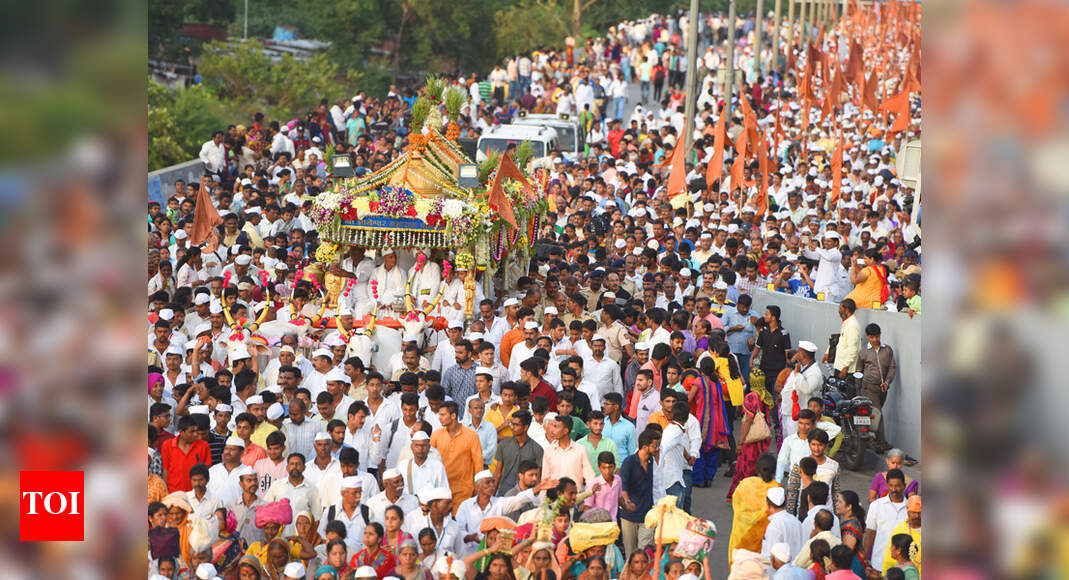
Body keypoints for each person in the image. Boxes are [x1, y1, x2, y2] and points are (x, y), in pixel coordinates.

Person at [727, 454, 781, 565]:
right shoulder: (776, 488)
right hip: (761, 540)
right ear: (774, 470)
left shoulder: (745, 484)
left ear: (757, 469)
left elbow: (736, 504)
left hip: (741, 535)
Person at [430, 401, 484, 511]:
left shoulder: (471, 436)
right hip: (441, 488)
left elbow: (478, 463)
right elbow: (429, 461)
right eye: (439, 415)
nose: (440, 418)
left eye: (443, 415)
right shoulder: (436, 435)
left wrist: (478, 487)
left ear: (453, 416)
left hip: (464, 490)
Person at [855, 323, 896, 453]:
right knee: (878, 413)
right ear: (867, 336)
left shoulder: (887, 350)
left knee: (875, 414)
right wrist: (858, 389)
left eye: (877, 336)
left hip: (883, 388)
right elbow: (858, 370)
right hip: (868, 387)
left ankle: (869, 438)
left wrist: (887, 382)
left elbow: (892, 367)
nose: (875, 340)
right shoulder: (863, 352)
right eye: (872, 337)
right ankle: (881, 442)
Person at [864, 469, 909, 570]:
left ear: (904, 486)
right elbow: (870, 533)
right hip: (878, 564)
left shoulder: (911, 509)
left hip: (903, 568)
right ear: (886, 485)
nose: (894, 489)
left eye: (897, 486)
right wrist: (865, 559)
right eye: (890, 485)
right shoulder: (876, 505)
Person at [880, 495, 921, 575]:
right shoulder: (899, 530)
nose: (916, 516)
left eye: (919, 513)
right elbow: (889, 560)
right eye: (913, 512)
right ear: (907, 511)